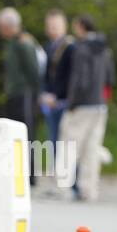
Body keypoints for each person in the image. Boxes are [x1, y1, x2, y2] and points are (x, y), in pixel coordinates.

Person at [59, 15, 114, 201]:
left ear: (81, 27)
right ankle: (89, 190)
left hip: (82, 104)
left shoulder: (81, 49)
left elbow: (79, 80)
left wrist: (72, 103)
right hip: (99, 104)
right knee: (91, 148)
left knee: (69, 146)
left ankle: (63, 188)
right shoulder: (105, 49)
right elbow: (110, 79)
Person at [0, 7, 41, 188]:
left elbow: (33, 71)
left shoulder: (24, 42)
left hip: (25, 95)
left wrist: (35, 95)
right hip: (15, 95)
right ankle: (17, 172)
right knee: (14, 134)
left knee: (26, 134)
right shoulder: (13, 43)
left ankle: (30, 177)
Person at [40, 10, 73, 168]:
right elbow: (47, 75)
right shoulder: (48, 47)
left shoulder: (70, 48)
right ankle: (58, 178)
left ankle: (67, 181)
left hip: (63, 102)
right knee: (53, 140)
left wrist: (57, 96)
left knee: (65, 142)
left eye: (55, 26)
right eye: (49, 26)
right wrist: (45, 94)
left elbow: (70, 77)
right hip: (50, 101)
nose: (52, 29)